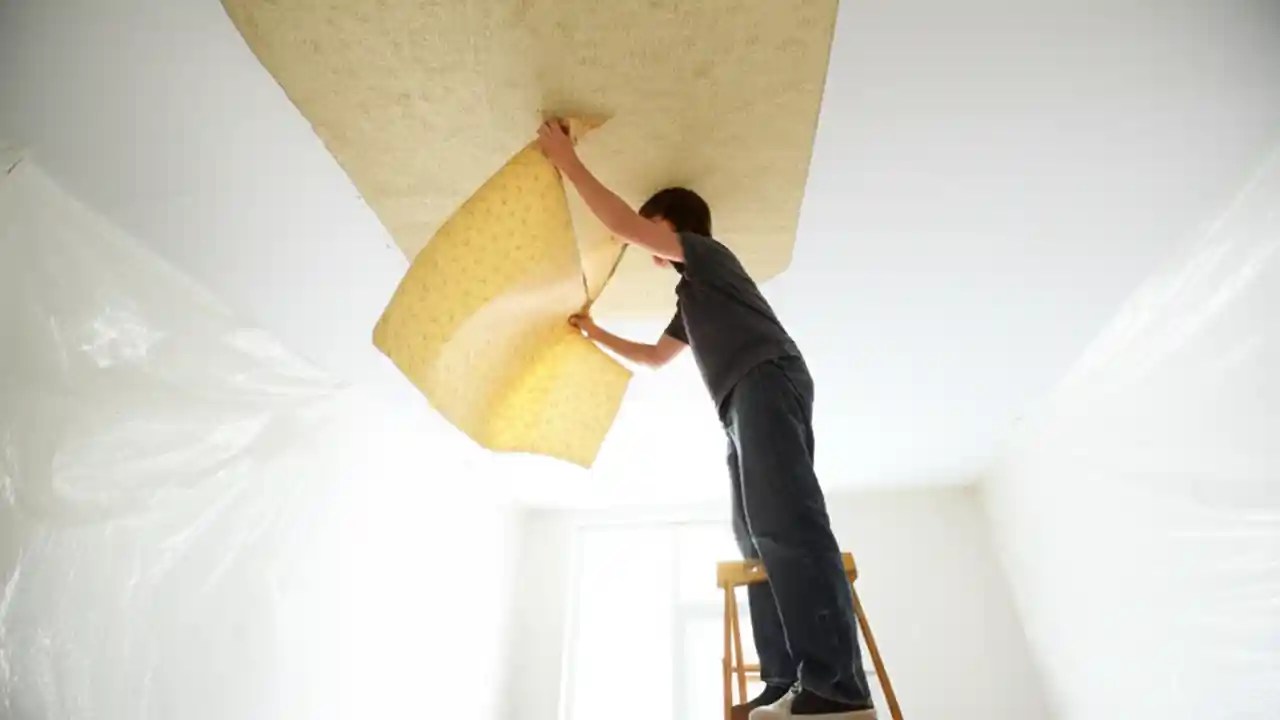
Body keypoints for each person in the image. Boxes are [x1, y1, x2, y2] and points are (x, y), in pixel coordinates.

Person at [536, 120, 875, 720]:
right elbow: (653, 358)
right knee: (755, 540)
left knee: (787, 525)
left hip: (766, 378)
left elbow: (619, 223)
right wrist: (592, 332)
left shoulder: (709, 258)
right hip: (738, 409)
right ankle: (784, 682)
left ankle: (837, 687)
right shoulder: (690, 300)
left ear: (677, 226)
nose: (645, 245)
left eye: (653, 231)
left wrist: (566, 159)